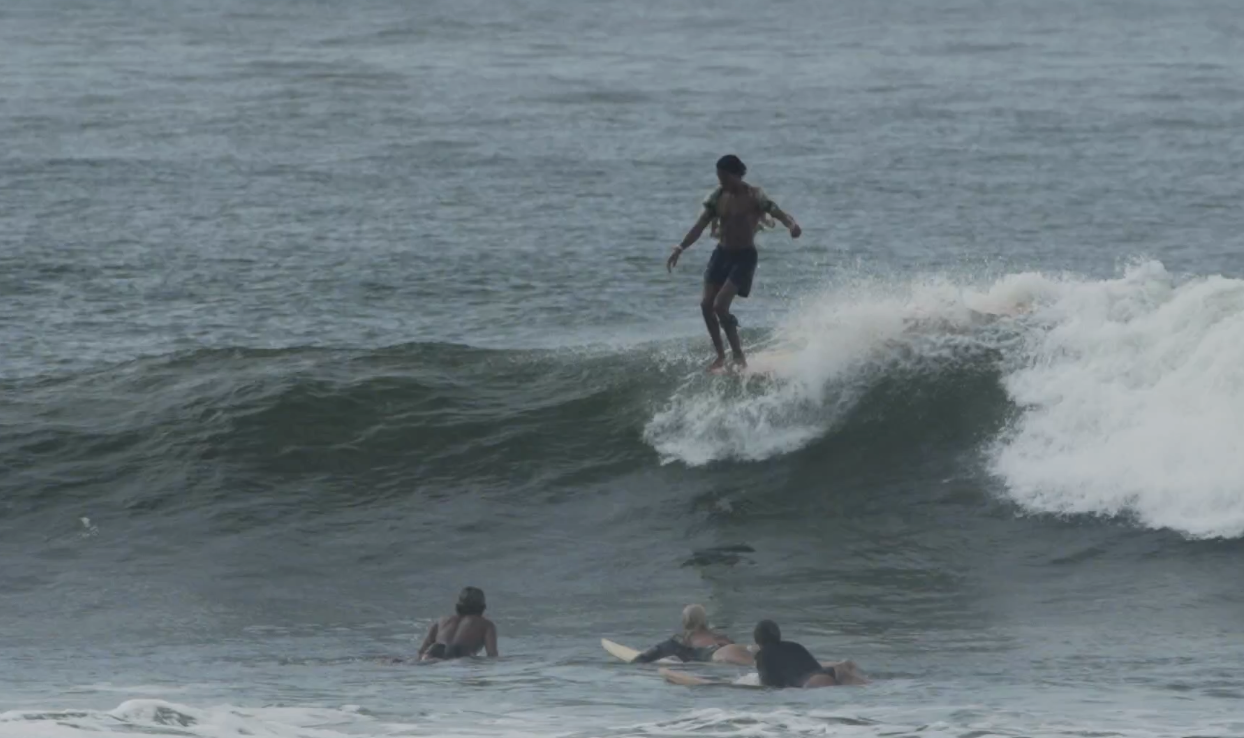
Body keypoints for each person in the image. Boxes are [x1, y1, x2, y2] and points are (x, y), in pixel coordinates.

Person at [666, 155, 801, 372]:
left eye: (725, 177)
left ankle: (738, 356)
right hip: (721, 254)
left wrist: (792, 226)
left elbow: (777, 212)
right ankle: (720, 356)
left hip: (744, 257)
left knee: (720, 306)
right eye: (719, 178)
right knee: (706, 305)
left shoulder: (754, 196)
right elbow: (700, 225)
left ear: (737, 174)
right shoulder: (718, 197)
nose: (721, 182)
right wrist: (680, 248)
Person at [752, 619, 867, 688]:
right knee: (867, 687)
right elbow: (814, 665)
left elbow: (769, 685)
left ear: (757, 640)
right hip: (833, 672)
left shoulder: (762, 656)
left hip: (812, 683)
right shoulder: (795, 646)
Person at [632, 604, 755, 666]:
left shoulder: (678, 642)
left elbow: (644, 658)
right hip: (722, 657)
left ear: (685, 620)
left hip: (705, 663)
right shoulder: (720, 638)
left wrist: (638, 660)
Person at [417, 586, 498, 661]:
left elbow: (421, 651)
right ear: (482, 607)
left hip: (434, 651)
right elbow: (492, 655)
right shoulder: (486, 625)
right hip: (459, 654)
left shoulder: (442, 620)